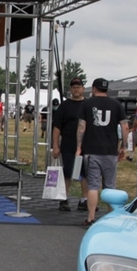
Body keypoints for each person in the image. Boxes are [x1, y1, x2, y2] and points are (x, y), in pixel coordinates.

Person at [76, 78, 129, 227]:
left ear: (93, 89)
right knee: (110, 186)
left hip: (92, 150)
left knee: (93, 185)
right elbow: (125, 127)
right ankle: (111, 217)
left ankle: (91, 217)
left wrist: (79, 147)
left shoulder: (87, 104)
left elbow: (81, 127)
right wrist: (123, 146)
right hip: (110, 150)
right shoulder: (116, 104)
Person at [51, 77, 90, 212]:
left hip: (86, 145)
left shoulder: (88, 105)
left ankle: (84, 200)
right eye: (73, 87)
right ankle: (64, 198)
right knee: (67, 172)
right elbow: (56, 127)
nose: (76, 89)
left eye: (78, 87)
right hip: (68, 145)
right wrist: (55, 146)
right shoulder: (64, 106)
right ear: (70, 89)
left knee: (86, 173)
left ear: (83, 89)